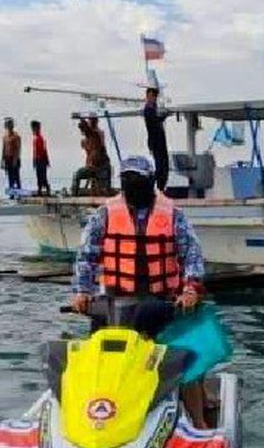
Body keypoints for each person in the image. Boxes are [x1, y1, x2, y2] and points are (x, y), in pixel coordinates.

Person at [70, 156, 208, 426]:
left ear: (151, 181)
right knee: (94, 363)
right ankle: (92, 420)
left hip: (163, 302)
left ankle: (200, 424)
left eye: (138, 179)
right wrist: (82, 292)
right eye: (127, 179)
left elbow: (192, 254)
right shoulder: (104, 215)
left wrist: (190, 289)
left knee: (185, 361)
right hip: (114, 304)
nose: (132, 184)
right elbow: (86, 256)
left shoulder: (173, 215)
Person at [71, 116, 113, 196]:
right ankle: (74, 196)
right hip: (93, 167)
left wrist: (82, 119)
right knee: (78, 175)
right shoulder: (86, 140)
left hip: (101, 166)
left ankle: (105, 193)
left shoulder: (96, 135)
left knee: (103, 189)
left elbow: (90, 131)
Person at [142, 86, 170, 192]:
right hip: (155, 139)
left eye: (154, 96)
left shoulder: (154, 107)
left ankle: (161, 185)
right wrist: (164, 116)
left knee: (163, 163)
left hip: (159, 138)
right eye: (151, 96)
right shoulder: (148, 109)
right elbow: (153, 120)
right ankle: (158, 186)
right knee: (160, 164)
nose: (152, 98)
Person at [0, 117, 22, 196]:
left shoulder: (16, 136)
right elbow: (3, 149)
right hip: (7, 158)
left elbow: (18, 149)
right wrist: (2, 160)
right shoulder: (5, 137)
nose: (8, 126)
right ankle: (12, 194)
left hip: (14, 158)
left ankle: (19, 194)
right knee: (10, 177)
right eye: (7, 124)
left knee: (16, 177)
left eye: (10, 124)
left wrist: (15, 160)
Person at [30, 120, 51, 195]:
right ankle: (41, 189)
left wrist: (46, 160)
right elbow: (35, 151)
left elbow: (44, 150)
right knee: (39, 175)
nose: (33, 130)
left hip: (41, 160)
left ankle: (44, 189)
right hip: (38, 159)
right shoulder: (36, 139)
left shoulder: (40, 138)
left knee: (42, 176)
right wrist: (34, 160)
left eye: (33, 128)